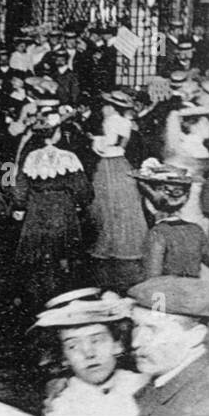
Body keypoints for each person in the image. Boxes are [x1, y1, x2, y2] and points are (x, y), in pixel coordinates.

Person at [12, 108, 94, 316]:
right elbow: (84, 192)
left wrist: (20, 207)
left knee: (39, 259)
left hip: (37, 212)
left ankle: (38, 303)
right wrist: (77, 203)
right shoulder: (68, 157)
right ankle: (61, 301)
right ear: (56, 133)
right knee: (63, 256)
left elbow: (19, 190)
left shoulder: (31, 157)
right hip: (63, 211)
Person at [32, 288, 147, 416]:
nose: (89, 354)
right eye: (73, 346)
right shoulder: (61, 405)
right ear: (63, 357)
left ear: (117, 344)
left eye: (97, 340)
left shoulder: (143, 386)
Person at [88, 91, 148, 293]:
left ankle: (109, 244)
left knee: (108, 203)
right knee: (124, 203)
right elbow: (123, 143)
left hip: (109, 163)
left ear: (112, 106)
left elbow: (108, 145)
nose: (103, 108)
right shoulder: (125, 121)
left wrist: (95, 141)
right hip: (122, 162)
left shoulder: (111, 120)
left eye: (106, 105)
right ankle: (122, 242)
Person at [127, 276, 209, 415]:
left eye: (153, 329)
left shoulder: (203, 402)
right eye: (136, 326)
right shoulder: (164, 382)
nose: (136, 342)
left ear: (195, 336)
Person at [130, 161, 209, 279]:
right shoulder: (196, 230)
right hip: (193, 291)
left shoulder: (158, 233)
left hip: (167, 294)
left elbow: (153, 279)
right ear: (184, 199)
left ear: (149, 204)